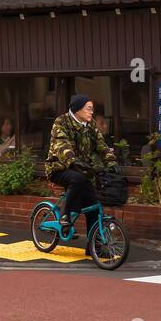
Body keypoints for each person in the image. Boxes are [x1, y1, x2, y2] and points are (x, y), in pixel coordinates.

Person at [45, 94, 118, 237]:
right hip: (59, 168)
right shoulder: (61, 122)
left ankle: (94, 248)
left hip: (82, 169)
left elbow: (101, 145)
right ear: (77, 109)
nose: (92, 112)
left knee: (93, 205)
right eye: (89, 109)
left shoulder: (90, 125)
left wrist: (112, 162)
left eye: (92, 109)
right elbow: (62, 145)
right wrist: (73, 161)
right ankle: (65, 215)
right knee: (77, 179)